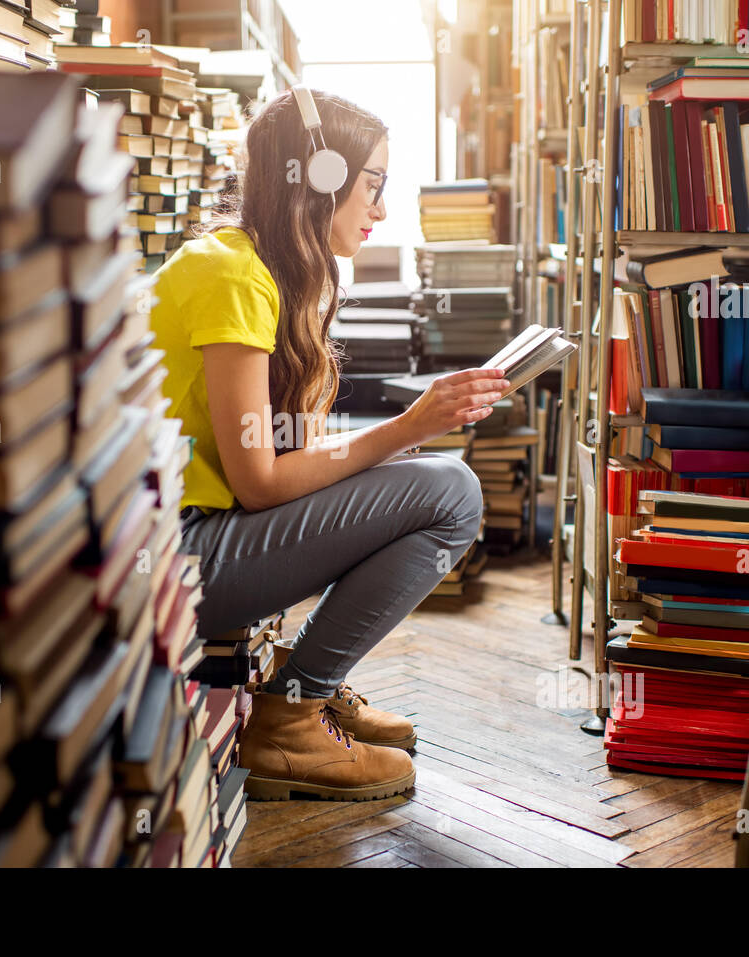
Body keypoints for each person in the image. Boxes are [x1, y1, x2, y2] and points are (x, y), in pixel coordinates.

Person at [148, 87, 508, 801]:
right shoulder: (231, 277)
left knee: (425, 480)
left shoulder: (269, 270)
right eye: (373, 186)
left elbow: (293, 460)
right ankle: (290, 718)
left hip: (193, 540)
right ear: (318, 181)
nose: (380, 209)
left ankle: (310, 687)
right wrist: (406, 429)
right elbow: (260, 483)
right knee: (451, 491)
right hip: (172, 562)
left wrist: (390, 453)